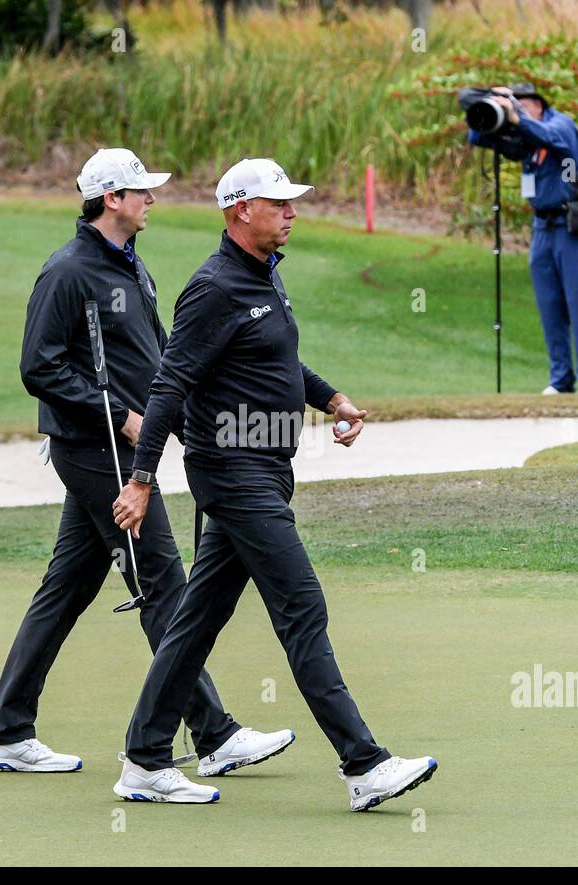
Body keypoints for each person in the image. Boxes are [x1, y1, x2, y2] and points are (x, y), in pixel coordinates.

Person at [109, 158, 438, 810]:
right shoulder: (214, 288)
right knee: (302, 608)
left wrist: (332, 398)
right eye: (278, 203)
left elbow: (278, 360)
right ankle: (364, 764)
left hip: (264, 471)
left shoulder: (262, 278)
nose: (291, 212)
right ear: (239, 211)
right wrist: (143, 477)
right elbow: (170, 385)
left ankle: (145, 758)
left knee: (196, 621)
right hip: (233, 474)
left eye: (292, 203)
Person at [0, 148, 294, 777]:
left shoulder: (129, 266)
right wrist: (124, 416)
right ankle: (213, 734)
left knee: (66, 587)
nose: (151, 198)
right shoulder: (67, 271)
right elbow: (38, 368)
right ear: (110, 199)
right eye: (140, 191)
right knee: (162, 579)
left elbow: (160, 358)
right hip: (94, 450)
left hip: (118, 446)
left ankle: (8, 732)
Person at [478, 83, 578, 394]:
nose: (516, 113)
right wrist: (487, 106)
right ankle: (561, 380)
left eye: (520, 106)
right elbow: (478, 135)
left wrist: (517, 117)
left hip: (573, 228)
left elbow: (546, 136)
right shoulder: (527, 137)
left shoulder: (560, 125)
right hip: (542, 230)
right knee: (550, 308)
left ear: (535, 103)